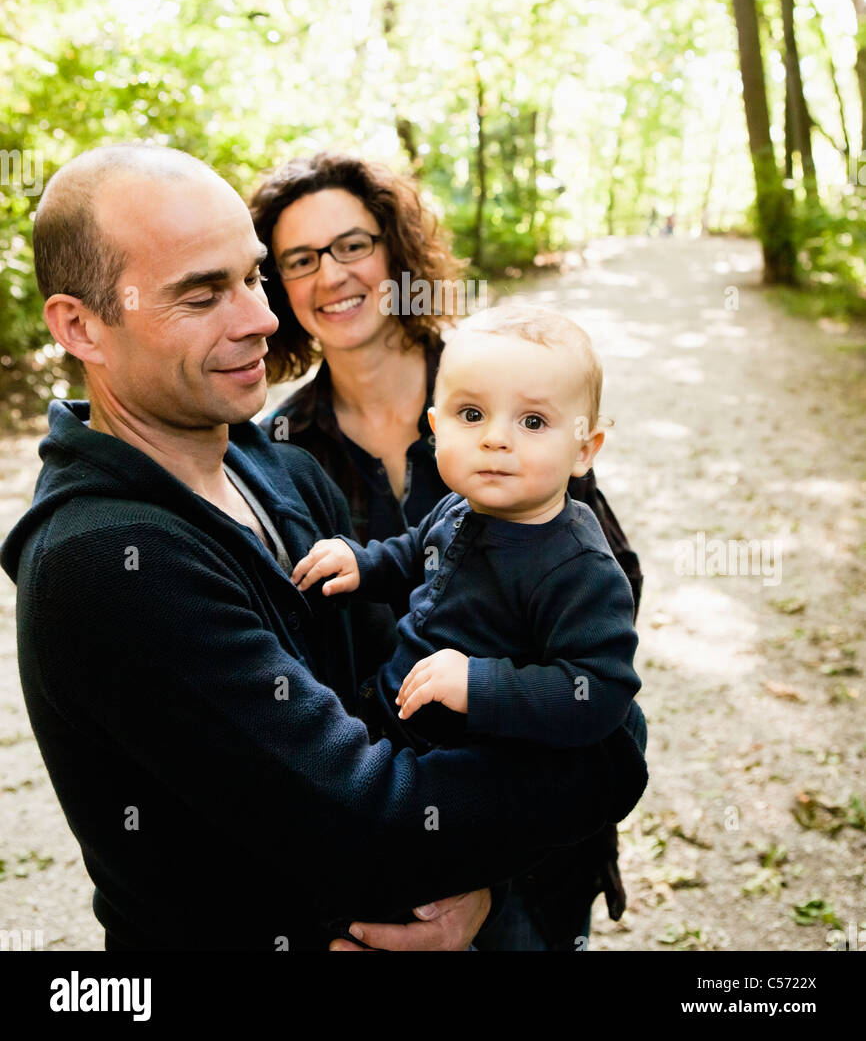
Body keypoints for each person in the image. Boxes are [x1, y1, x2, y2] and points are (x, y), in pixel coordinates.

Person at [1, 143, 648, 953]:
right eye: (203, 294)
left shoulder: (278, 467)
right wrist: (610, 755)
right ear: (80, 326)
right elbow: (375, 817)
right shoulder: (108, 566)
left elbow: (407, 690)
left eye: (252, 278)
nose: (263, 319)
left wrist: (476, 890)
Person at [251, 151, 646, 948]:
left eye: (353, 245)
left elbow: (602, 662)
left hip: (534, 822)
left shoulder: (503, 385)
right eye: (300, 259)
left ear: (396, 252)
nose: (332, 274)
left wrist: (487, 885)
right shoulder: (278, 449)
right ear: (279, 289)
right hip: (398, 799)